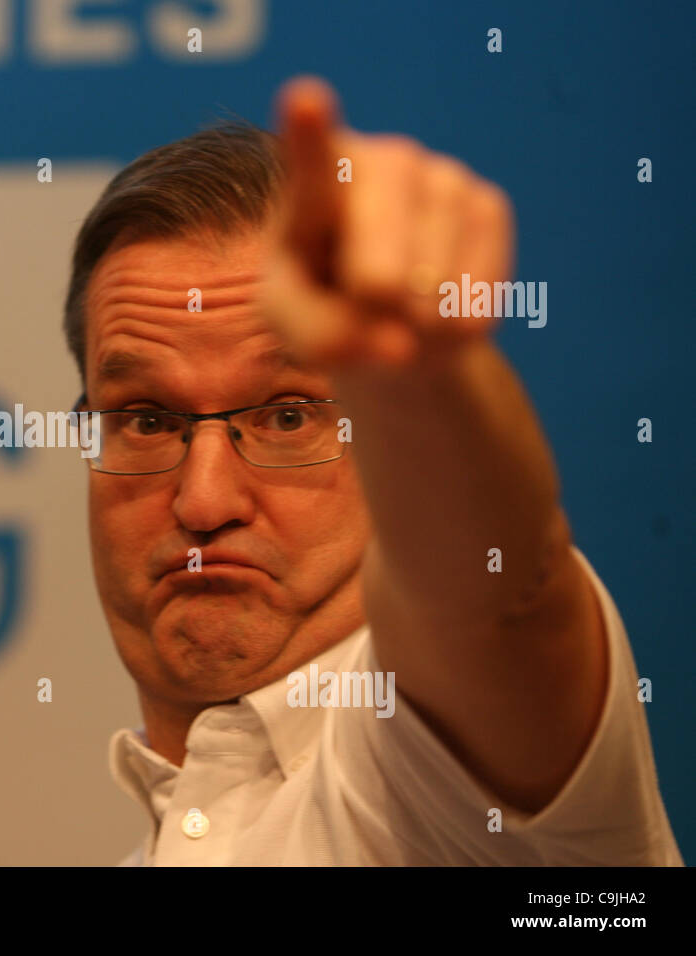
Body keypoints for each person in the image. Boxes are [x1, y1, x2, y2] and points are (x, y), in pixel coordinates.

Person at [63, 76, 683, 865]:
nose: (204, 500)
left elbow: (495, 607)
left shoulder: (425, 767)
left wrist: (419, 377)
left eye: (288, 415)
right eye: (148, 420)